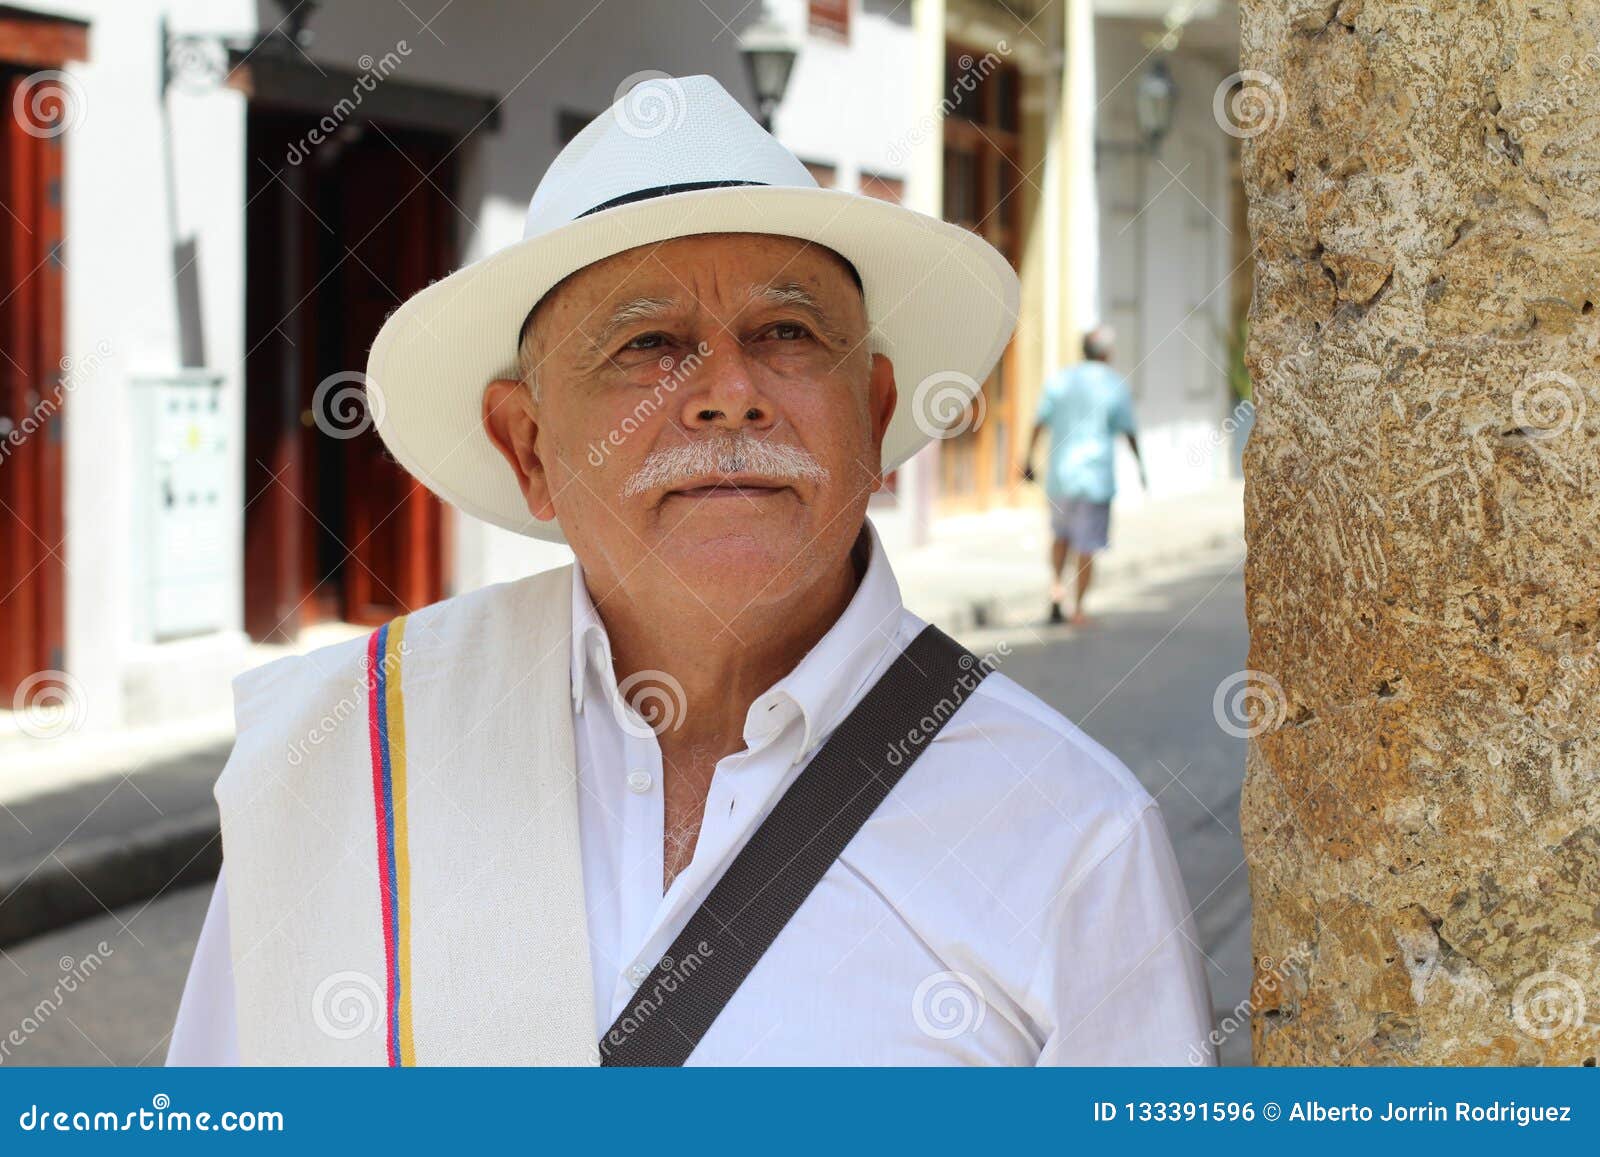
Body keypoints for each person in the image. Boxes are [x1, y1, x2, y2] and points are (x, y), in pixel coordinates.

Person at [167, 75, 1211, 1066]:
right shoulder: (340, 757)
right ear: (529, 449)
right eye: (649, 342)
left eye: (788, 333)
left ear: (875, 413)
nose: (729, 393)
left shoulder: (1073, 835)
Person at [1021, 326, 1145, 625]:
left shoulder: (1061, 380)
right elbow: (1128, 430)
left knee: (1060, 535)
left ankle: (1056, 589)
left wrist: (1028, 459)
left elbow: (1039, 421)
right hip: (1094, 477)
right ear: (1107, 353)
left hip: (1061, 474)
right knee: (1086, 544)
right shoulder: (1114, 384)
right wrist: (1141, 467)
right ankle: (1078, 608)